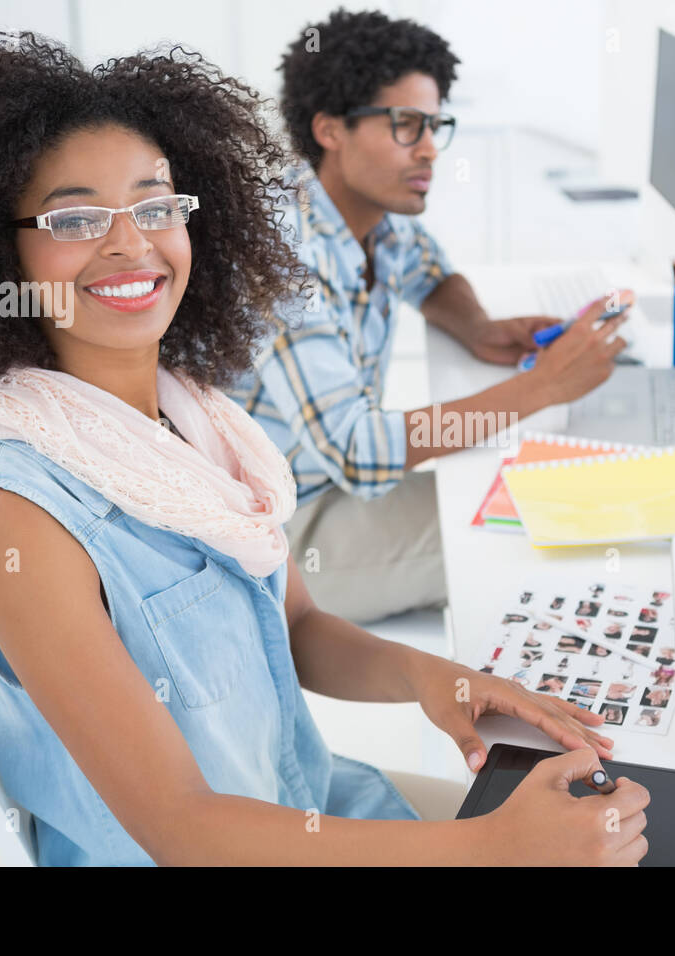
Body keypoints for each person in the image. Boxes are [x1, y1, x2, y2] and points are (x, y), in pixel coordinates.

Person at [0, 31, 647, 866]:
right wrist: (490, 850)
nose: (130, 244)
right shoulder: (15, 519)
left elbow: (295, 623)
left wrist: (429, 679)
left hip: (308, 804)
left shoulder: (196, 414)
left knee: (628, 828)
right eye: (76, 218)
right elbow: (181, 828)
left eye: (156, 206)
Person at [232, 8, 633, 623]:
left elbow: (434, 277)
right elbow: (360, 450)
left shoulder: (372, 217)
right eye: (405, 126)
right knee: (548, 523)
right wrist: (542, 387)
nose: (429, 150)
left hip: (327, 489)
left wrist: (477, 325)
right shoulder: (282, 259)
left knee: (537, 494)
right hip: (280, 540)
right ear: (330, 129)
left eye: (435, 126)